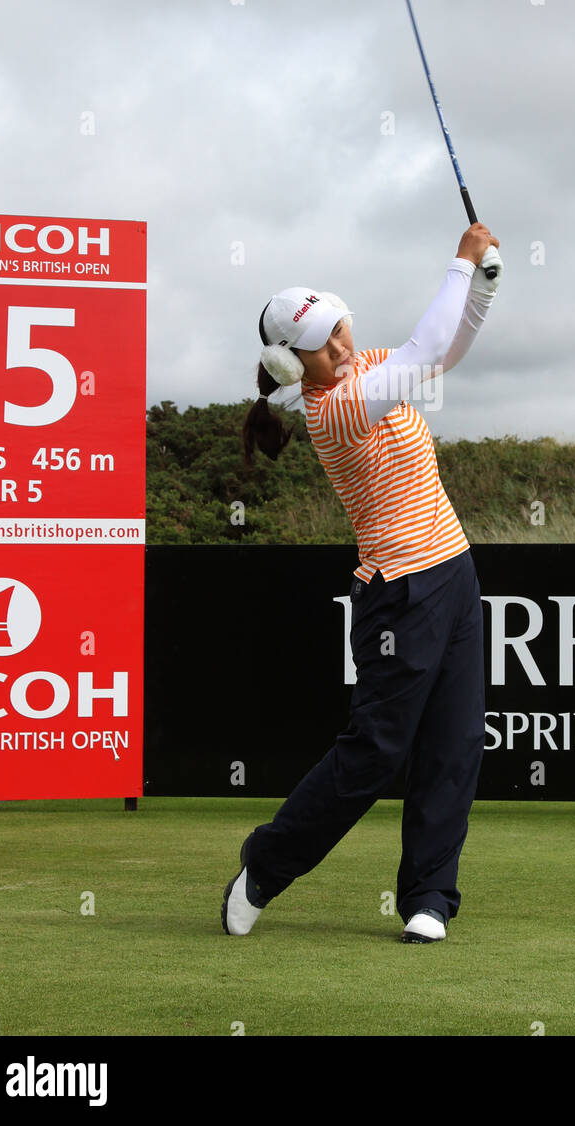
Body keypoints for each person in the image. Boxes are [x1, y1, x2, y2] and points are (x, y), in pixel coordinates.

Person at [224, 222, 503, 943]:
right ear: (291, 365)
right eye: (324, 343)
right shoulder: (338, 410)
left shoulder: (365, 369)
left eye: (340, 328)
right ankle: (266, 864)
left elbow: (445, 355)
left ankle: (429, 899)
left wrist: (482, 292)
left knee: (455, 742)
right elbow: (424, 351)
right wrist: (460, 262)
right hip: (399, 593)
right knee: (376, 750)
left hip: (454, 570)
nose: (342, 346)